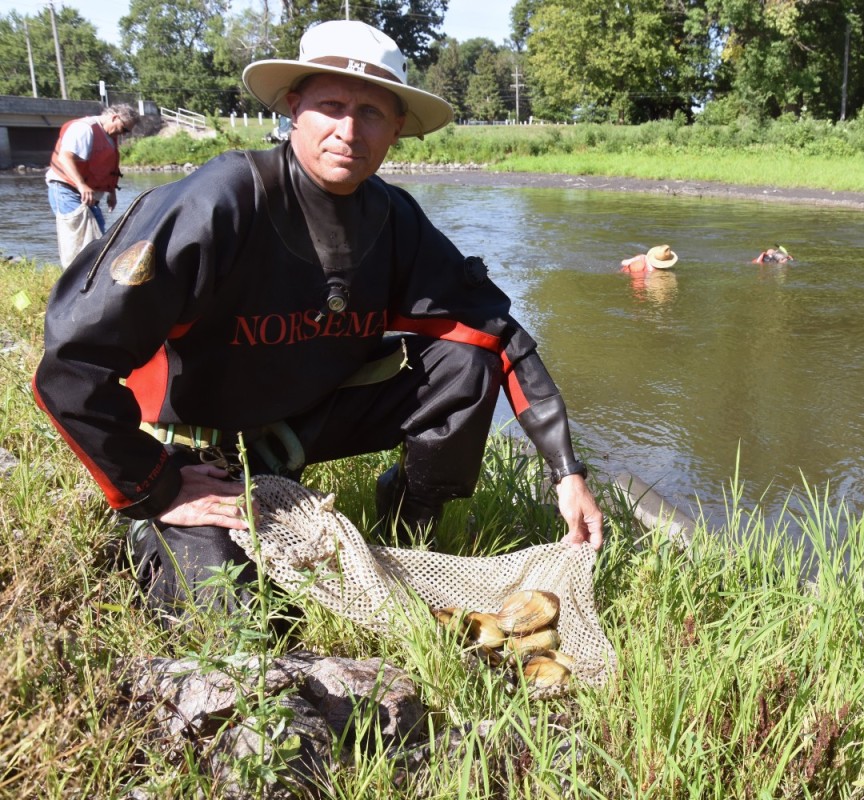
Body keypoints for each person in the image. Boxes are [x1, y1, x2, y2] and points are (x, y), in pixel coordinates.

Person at [32, 20, 603, 624]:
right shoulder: (220, 202)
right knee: (244, 622)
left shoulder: (394, 218)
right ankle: (163, 518)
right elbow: (70, 366)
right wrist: (155, 484)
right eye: (331, 105)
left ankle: (408, 519)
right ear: (295, 107)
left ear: (398, 129)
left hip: (309, 420)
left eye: (372, 112)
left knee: (467, 361)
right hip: (204, 446)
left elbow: (496, 331)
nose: (349, 130)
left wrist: (567, 471)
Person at [45, 103, 139, 267]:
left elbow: (106, 166)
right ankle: (74, 283)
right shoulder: (84, 129)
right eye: (124, 129)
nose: (123, 134)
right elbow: (65, 158)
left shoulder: (108, 134)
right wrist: (81, 185)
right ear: (115, 117)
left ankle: (90, 279)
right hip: (66, 190)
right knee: (80, 241)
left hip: (87, 194)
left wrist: (111, 192)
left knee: (98, 239)